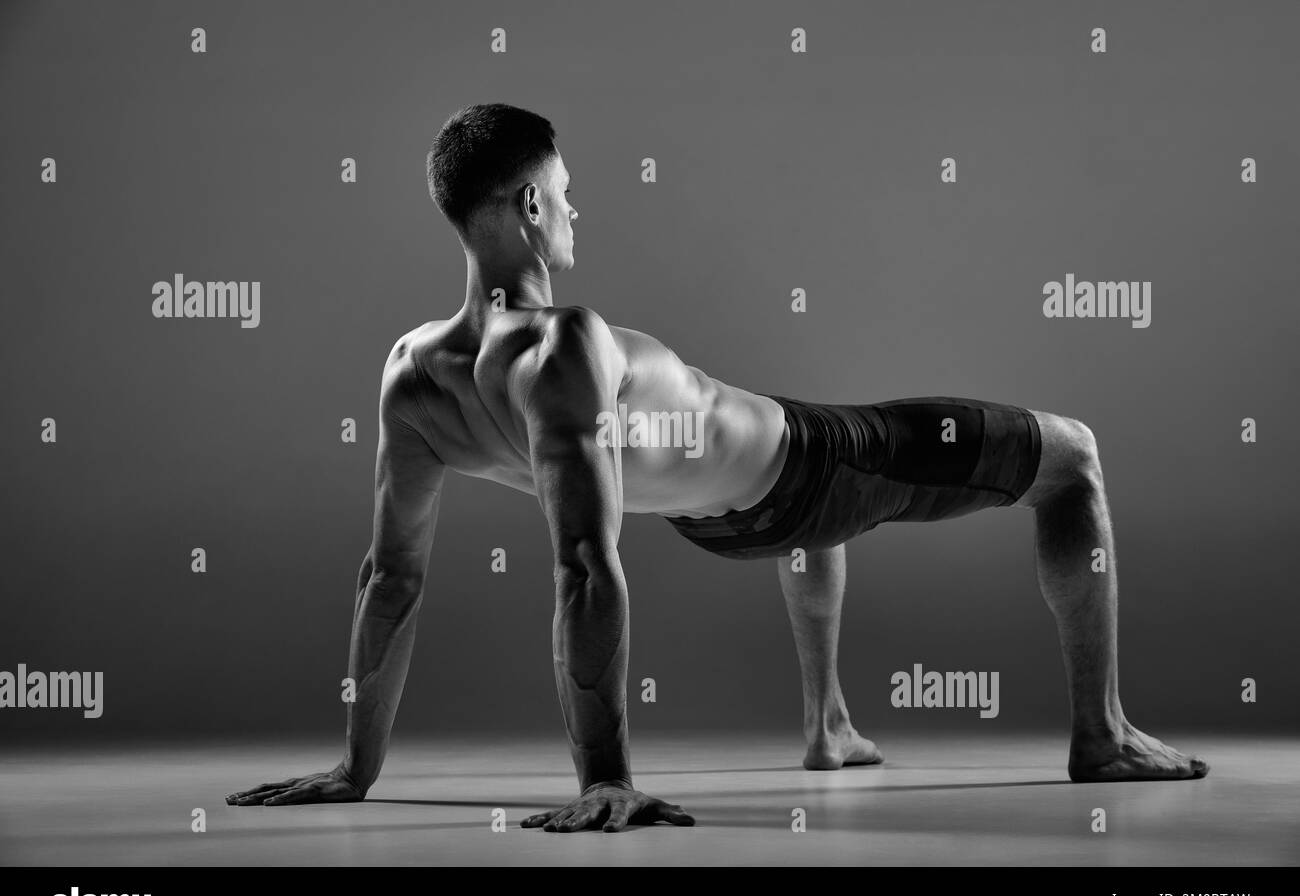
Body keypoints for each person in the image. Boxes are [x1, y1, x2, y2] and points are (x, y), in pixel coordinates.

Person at [227, 104, 1207, 834]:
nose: (577, 213)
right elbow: (580, 564)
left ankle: (828, 727)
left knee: (809, 515)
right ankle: (1103, 735)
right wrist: (605, 775)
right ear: (529, 204)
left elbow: (389, 578)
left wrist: (356, 767)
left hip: (713, 519)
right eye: (566, 197)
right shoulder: (560, 347)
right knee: (1069, 453)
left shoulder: (412, 377)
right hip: (816, 467)